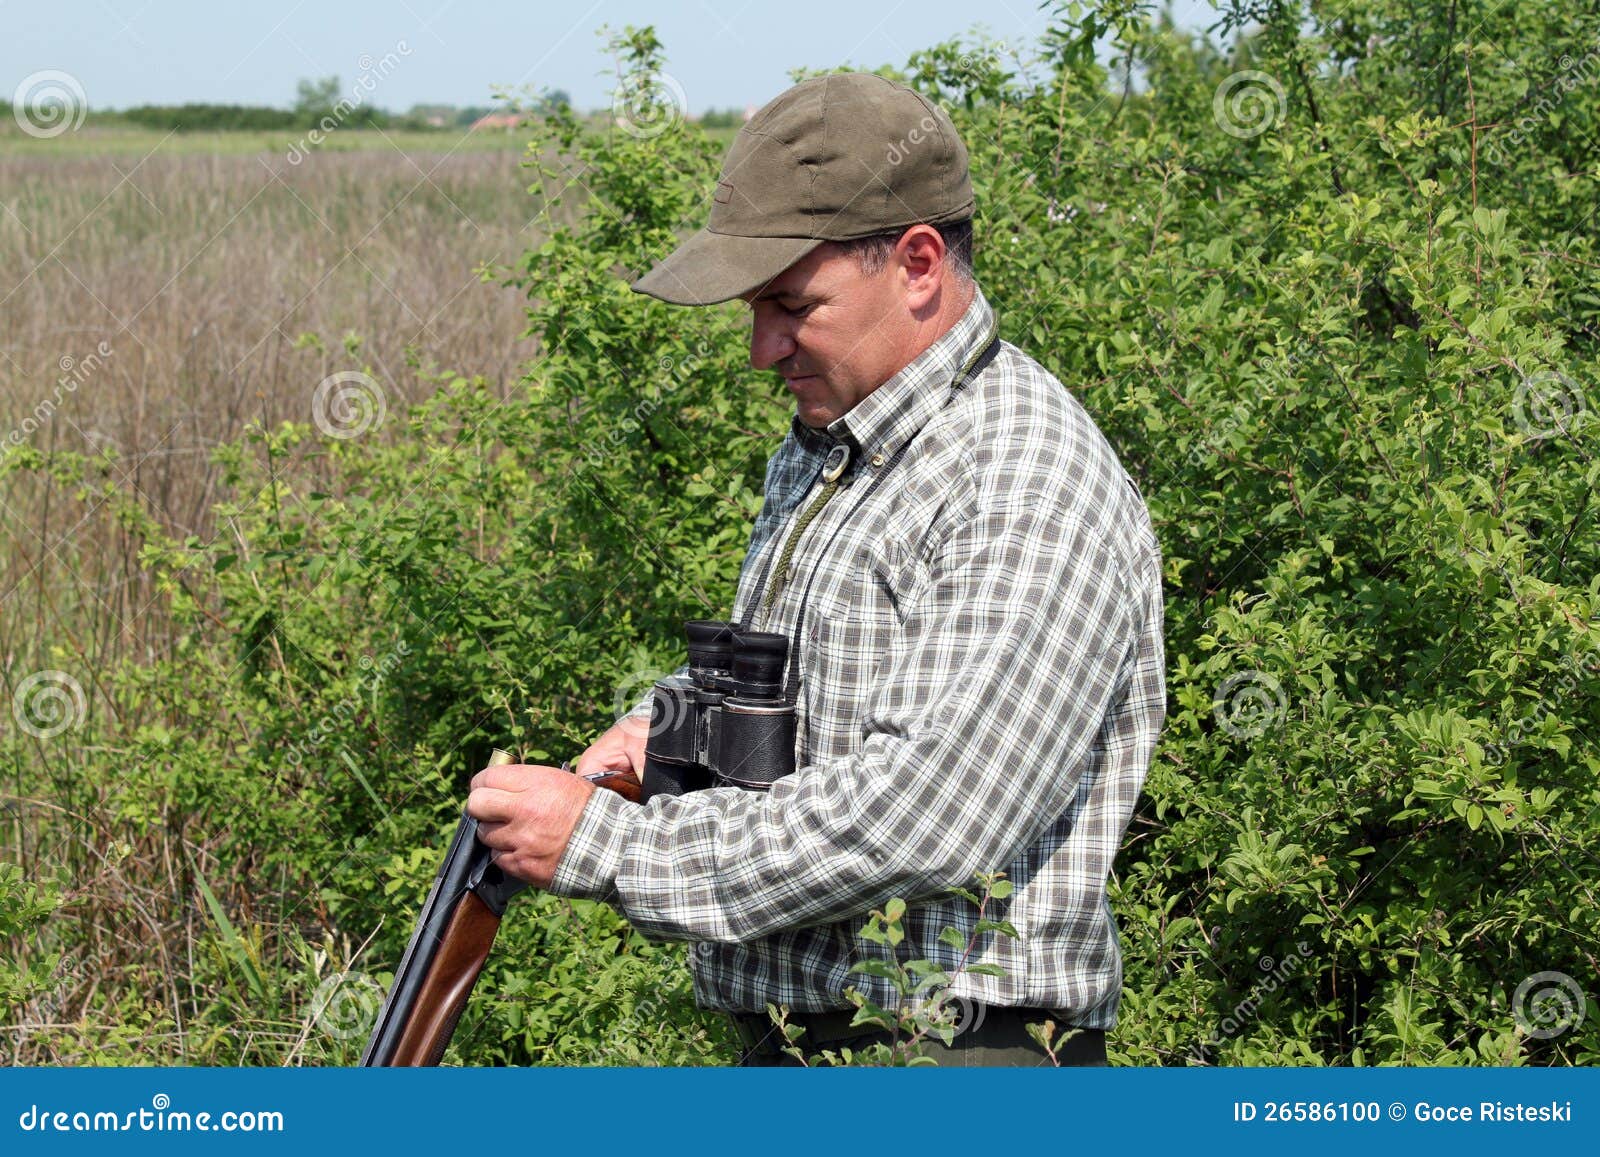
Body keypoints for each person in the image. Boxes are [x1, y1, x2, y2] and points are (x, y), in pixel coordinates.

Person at [467, 72, 1165, 1066]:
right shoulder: (830, 442)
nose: (762, 348)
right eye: (755, 308)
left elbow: (931, 812)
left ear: (917, 262)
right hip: (816, 1047)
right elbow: (810, 691)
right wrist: (671, 732)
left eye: (793, 304)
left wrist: (604, 846)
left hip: (955, 1055)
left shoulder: (1024, 474)